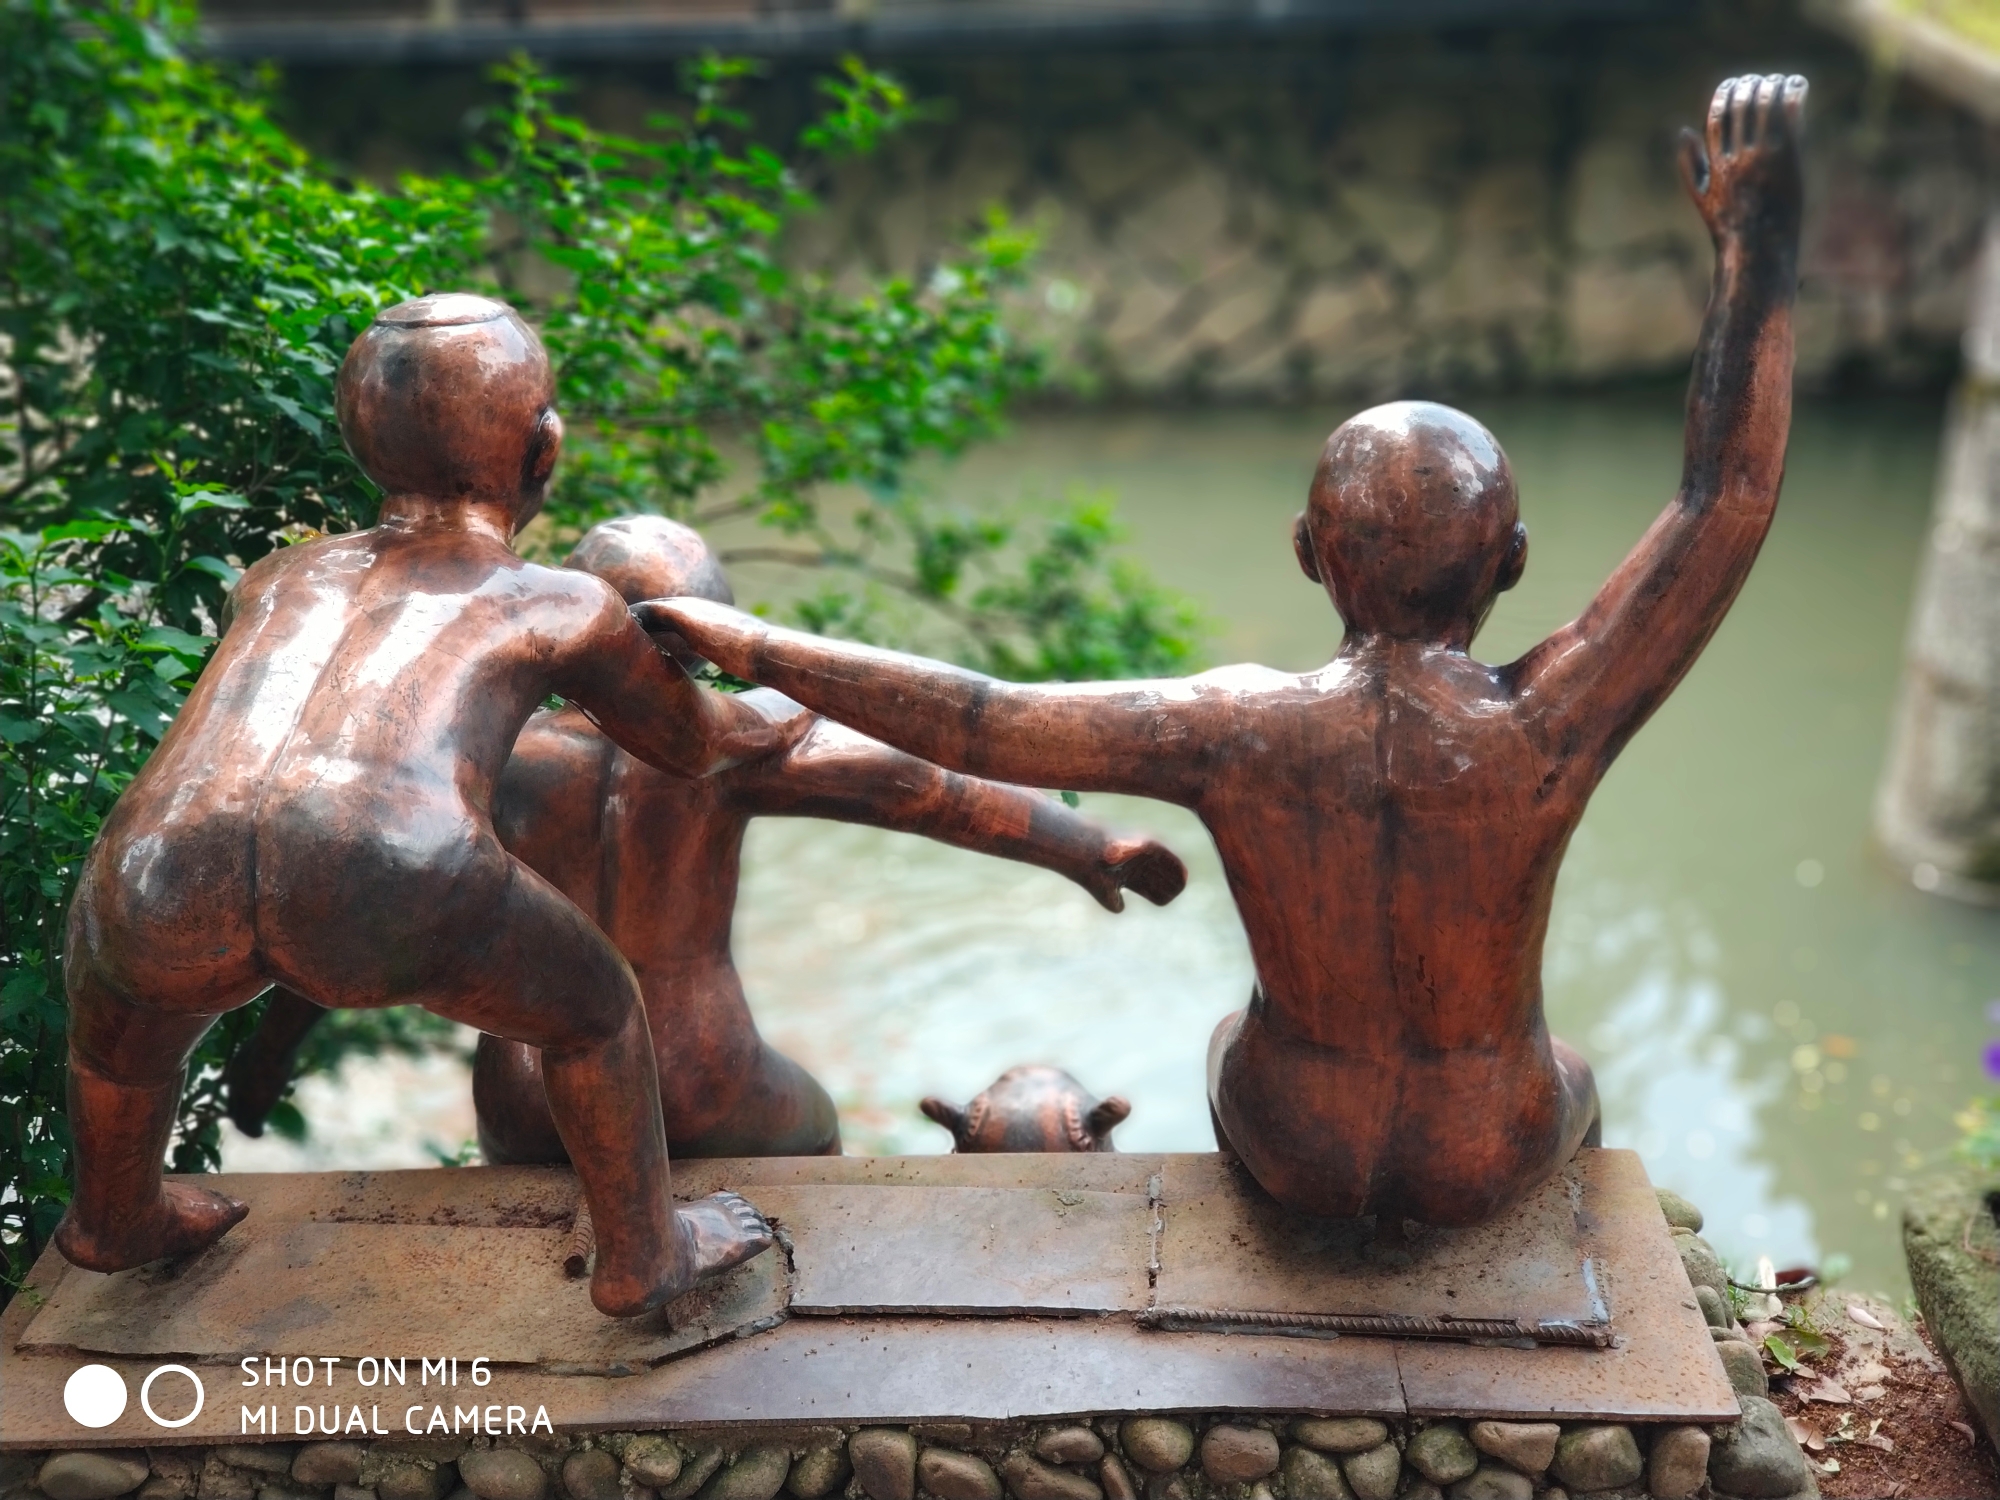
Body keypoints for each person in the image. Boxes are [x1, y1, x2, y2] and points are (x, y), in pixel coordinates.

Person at [639, 76, 1808, 1231]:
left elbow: (981, 716)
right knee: (1569, 1070)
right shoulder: (1548, 718)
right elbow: (1726, 499)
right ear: (1509, 563)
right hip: (1481, 1151)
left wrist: (752, 643)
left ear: (1305, 554)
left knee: (1224, 1039)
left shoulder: (1236, 725)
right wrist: (1753, 252)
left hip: (1295, 1145)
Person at [61, 295, 783, 1316]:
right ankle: (644, 1253)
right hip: (384, 868)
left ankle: (114, 1213)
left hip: (161, 863)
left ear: (361, 442)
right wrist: (772, 712)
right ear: (545, 447)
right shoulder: (559, 600)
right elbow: (692, 743)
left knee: (116, 1031)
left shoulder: (277, 577)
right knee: (596, 1010)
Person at [226, 516, 1188, 1163]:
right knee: (816, 1125)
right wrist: (1086, 846)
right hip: (702, 1078)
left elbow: (374, 896)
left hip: (528, 1090)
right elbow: (924, 789)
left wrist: (267, 1058)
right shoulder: (727, 744)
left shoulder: (497, 750)